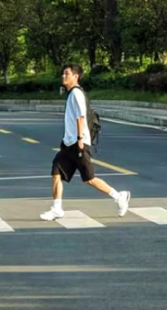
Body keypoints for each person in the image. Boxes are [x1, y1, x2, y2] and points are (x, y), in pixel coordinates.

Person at [41, 63, 130, 221]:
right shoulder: (71, 94)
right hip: (68, 144)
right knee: (56, 172)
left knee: (89, 178)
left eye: (66, 73)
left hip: (78, 143)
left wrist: (80, 139)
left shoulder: (76, 94)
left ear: (75, 76)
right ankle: (57, 208)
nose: (63, 76)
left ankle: (119, 197)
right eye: (63, 73)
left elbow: (81, 116)